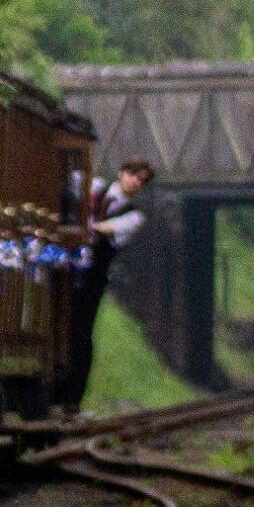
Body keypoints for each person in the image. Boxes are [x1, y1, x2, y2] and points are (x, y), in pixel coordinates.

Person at [61, 158, 156, 405]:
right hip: (67, 269)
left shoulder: (134, 216)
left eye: (141, 180)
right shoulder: (96, 187)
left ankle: (73, 395)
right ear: (121, 172)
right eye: (133, 175)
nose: (135, 182)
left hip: (93, 277)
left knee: (82, 331)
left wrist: (86, 226)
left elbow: (106, 228)